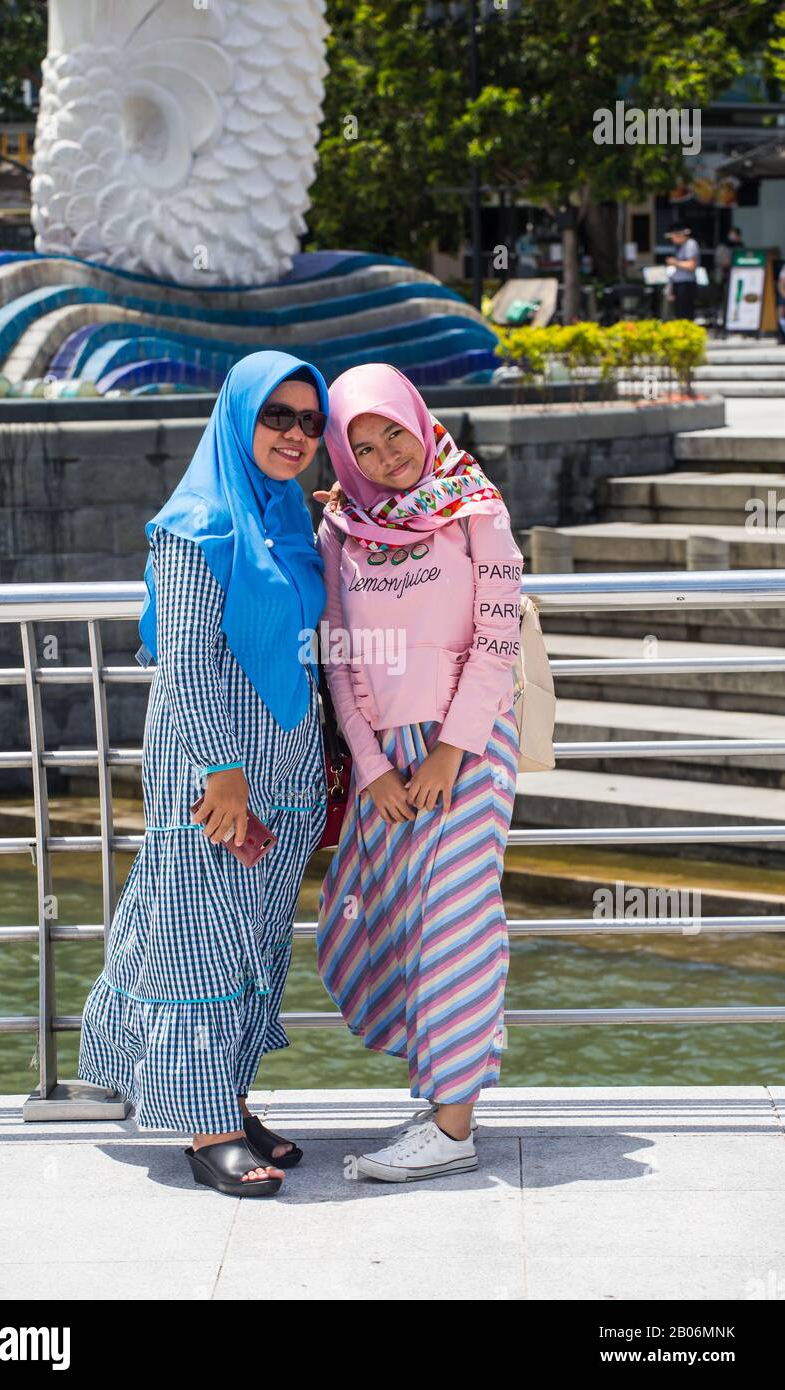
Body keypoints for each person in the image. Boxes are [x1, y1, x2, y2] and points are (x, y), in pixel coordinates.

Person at [78, 350, 330, 1199]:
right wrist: (222, 773)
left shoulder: (288, 514)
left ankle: (229, 1096)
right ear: (236, 418)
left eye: (309, 420)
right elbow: (184, 662)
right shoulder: (197, 524)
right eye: (276, 417)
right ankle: (208, 1126)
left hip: (287, 770)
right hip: (212, 777)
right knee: (199, 942)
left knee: (255, 943)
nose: (296, 435)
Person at [314, 363, 523, 1183]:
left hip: (468, 746)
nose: (386, 454)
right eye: (363, 445)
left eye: (394, 431)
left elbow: (498, 639)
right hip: (385, 758)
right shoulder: (340, 527)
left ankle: (453, 1127)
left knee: (457, 917)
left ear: (418, 419)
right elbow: (336, 653)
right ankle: (441, 1088)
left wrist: (448, 751)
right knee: (390, 916)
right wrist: (371, 768)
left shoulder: (475, 507)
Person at [665, 226, 701, 322]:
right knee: (679, 313)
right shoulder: (680, 246)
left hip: (686, 284)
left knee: (686, 313)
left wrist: (674, 262)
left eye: (673, 237)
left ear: (680, 235)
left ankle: (687, 332)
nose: (672, 240)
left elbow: (691, 265)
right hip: (679, 283)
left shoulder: (690, 244)